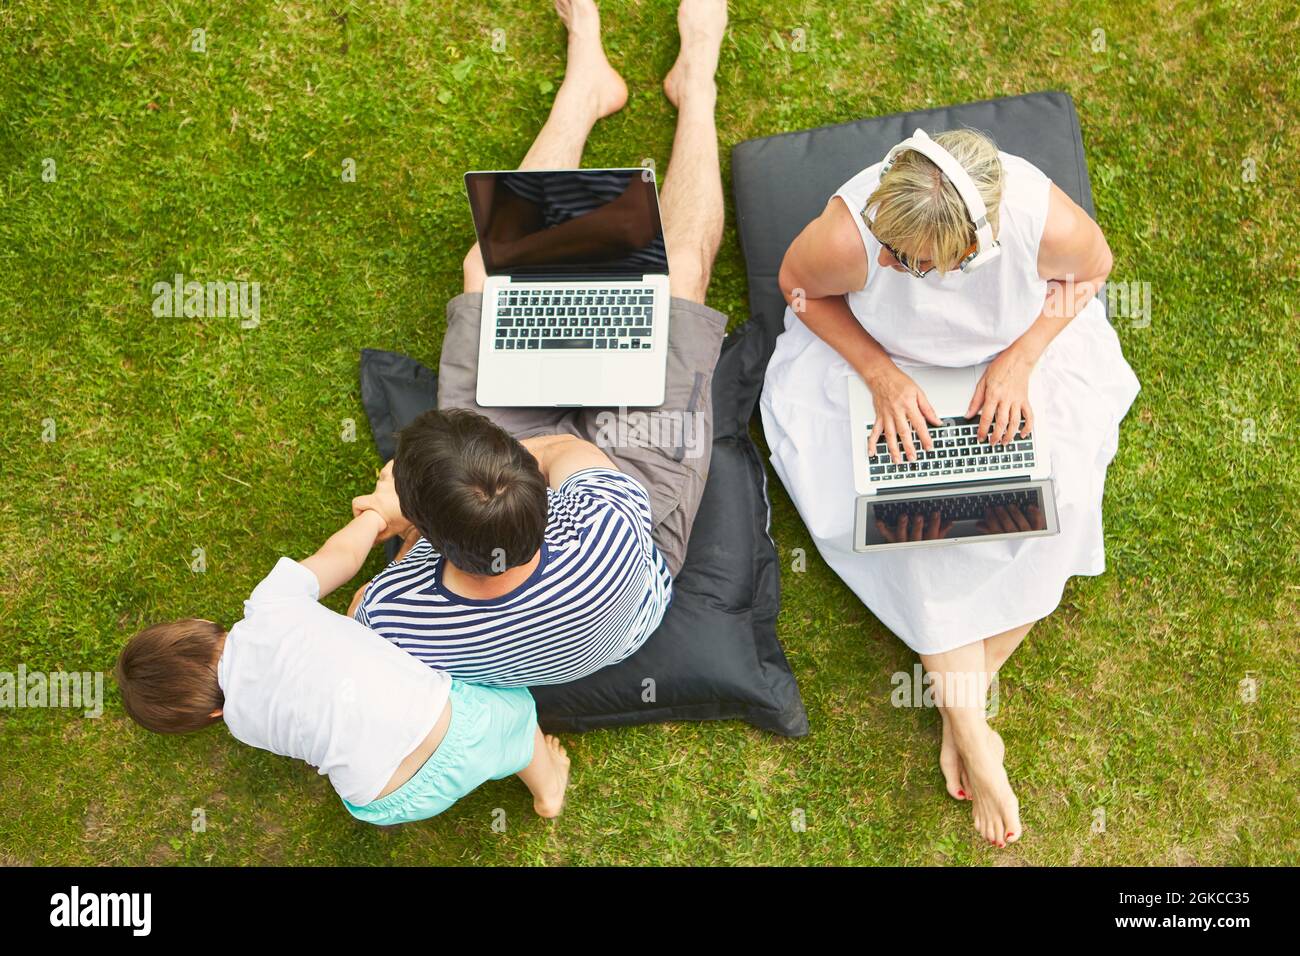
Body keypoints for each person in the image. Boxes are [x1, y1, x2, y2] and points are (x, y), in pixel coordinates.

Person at [760, 127, 1140, 847]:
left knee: (1052, 509)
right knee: (914, 530)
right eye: (891, 250)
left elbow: (1091, 273)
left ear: (979, 246)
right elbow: (799, 289)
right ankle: (971, 722)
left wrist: (1022, 360)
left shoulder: (1039, 221)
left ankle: (960, 717)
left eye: (918, 263)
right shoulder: (853, 236)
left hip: (1006, 364)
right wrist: (880, 375)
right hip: (881, 371)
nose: (894, 263)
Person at [348, 0, 731, 687]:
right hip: (625, 521)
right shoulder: (609, 542)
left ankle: (586, 89)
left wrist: (387, 522)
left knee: (487, 273)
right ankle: (697, 86)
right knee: (677, 283)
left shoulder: (389, 617)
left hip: (506, 502)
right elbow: (577, 452)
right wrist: (507, 456)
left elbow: (361, 612)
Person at [113, 504, 571, 825]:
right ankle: (547, 790)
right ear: (198, 624)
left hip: (386, 799)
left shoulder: (241, 726)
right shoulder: (268, 602)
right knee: (515, 708)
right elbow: (342, 557)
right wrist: (375, 518)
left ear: (211, 713)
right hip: (456, 732)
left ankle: (526, 775)